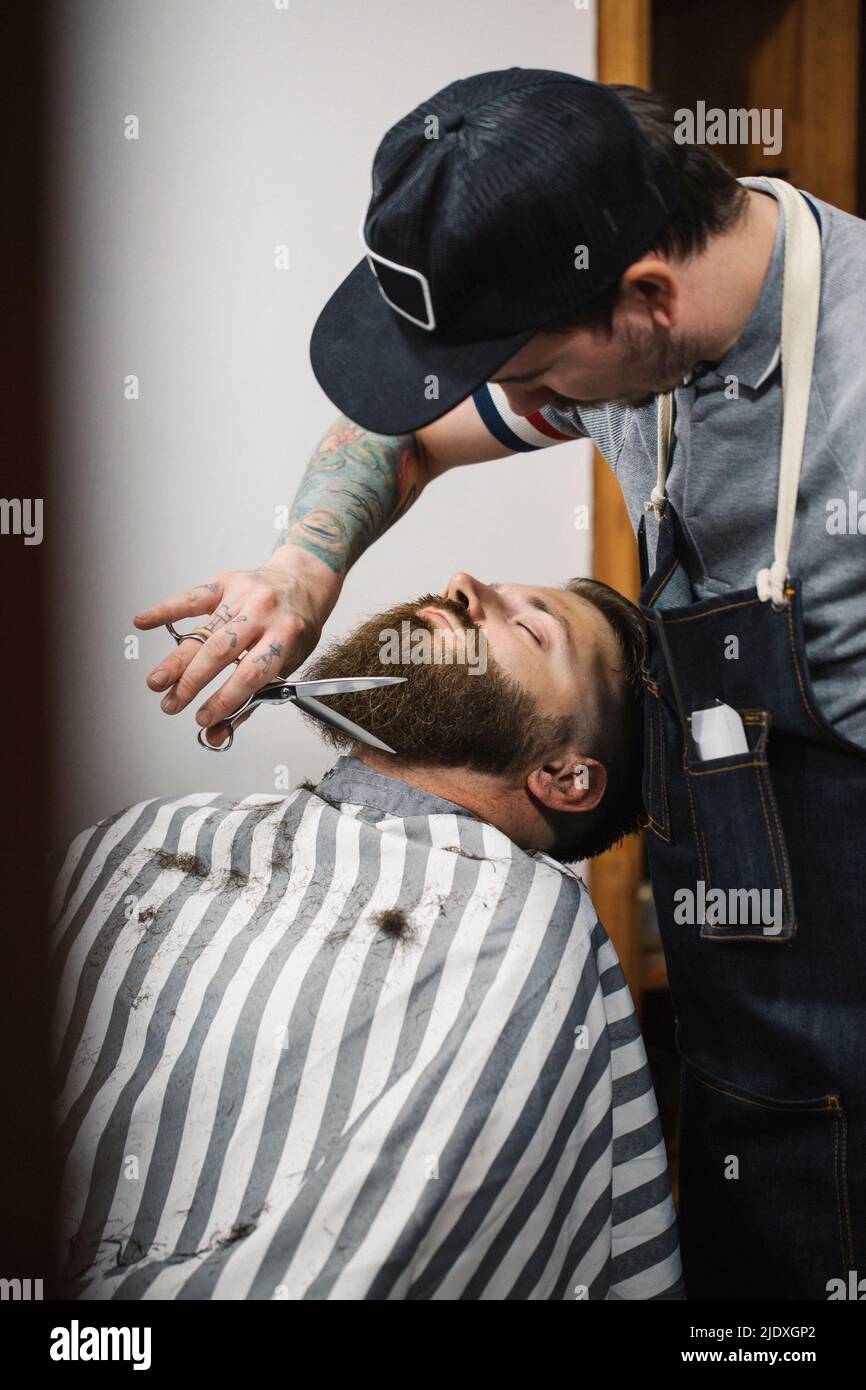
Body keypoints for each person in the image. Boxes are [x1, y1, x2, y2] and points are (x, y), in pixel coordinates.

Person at [133, 70, 866, 1300]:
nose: (517, 409)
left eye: (525, 373)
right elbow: (400, 433)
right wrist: (302, 571)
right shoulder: (626, 317)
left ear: (644, 302)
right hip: (742, 1032)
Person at [50, 573, 683, 1301]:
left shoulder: (524, 931)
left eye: (533, 630)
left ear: (564, 777)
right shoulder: (152, 829)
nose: (467, 586)